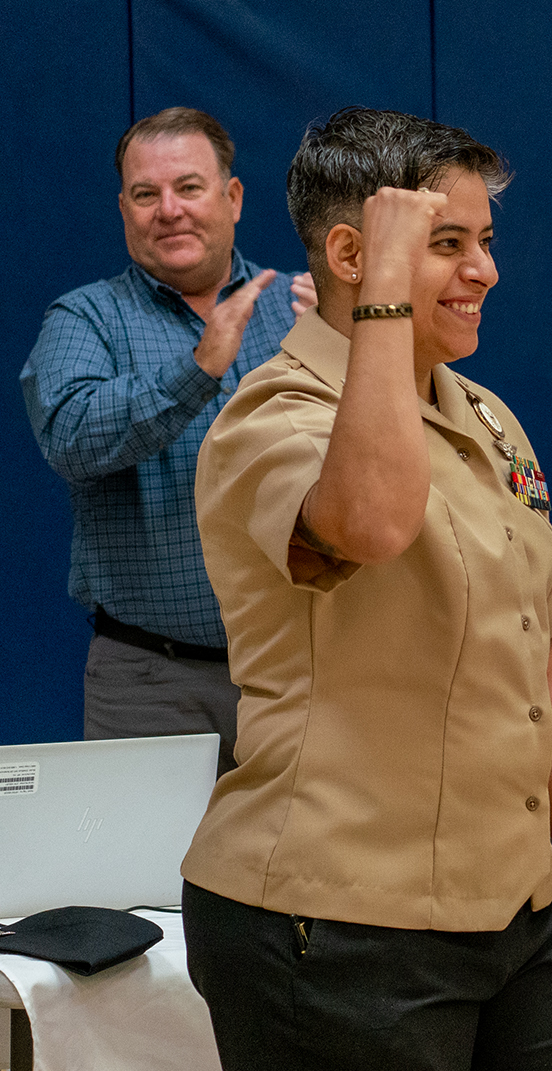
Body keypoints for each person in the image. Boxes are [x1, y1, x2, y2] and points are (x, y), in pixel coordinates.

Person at [180, 107, 552, 1069]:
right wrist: (385, 291)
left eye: (484, 242)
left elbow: (534, 656)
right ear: (352, 255)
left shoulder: (482, 414)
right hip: (335, 924)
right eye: (446, 245)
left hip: (514, 912)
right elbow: (372, 523)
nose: (486, 271)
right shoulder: (271, 417)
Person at [20, 107, 315, 775]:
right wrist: (198, 368)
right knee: (147, 883)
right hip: (150, 683)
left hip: (303, 677)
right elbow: (69, 439)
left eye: (189, 187)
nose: (169, 211)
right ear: (124, 209)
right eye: (146, 195)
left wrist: (349, 359)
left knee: (302, 880)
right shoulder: (86, 317)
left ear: (232, 198)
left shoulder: (303, 308)